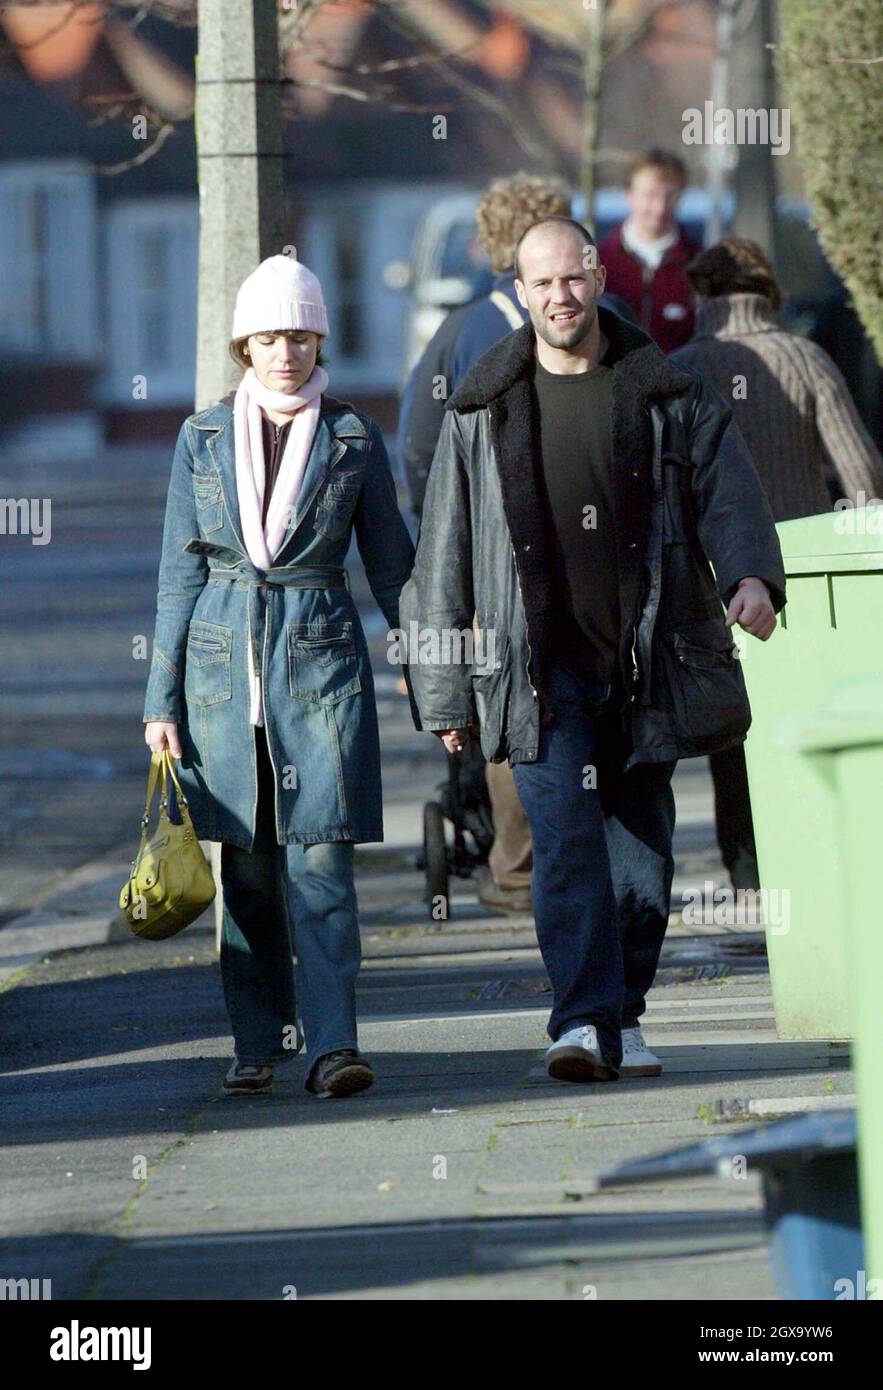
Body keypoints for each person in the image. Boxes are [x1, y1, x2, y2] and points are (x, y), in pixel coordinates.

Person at [399, 216, 785, 1083]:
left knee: (641, 853)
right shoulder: (482, 409)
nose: (558, 298)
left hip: (644, 664)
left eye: (571, 280)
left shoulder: (663, 392)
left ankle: (625, 1015)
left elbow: (729, 491)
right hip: (534, 672)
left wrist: (751, 578)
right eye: (539, 285)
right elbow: (441, 560)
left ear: (596, 274)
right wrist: (445, 694)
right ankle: (579, 1022)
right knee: (567, 844)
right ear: (520, 291)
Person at [143, 255, 415, 1099]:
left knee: (323, 869)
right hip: (222, 681)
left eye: (300, 335)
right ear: (243, 345)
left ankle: (335, 1047)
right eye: (269, 336)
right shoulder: (202, 438)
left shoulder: (352, 437)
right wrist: (160, 701)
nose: (286, 352)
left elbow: (392, 566)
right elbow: (177, 575)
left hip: (319, 668)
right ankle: (259, 1038)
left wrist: (426, 665)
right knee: (247, 874)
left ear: (318, 339)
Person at [670, 235, 883, 890]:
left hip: (713, 583)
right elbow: (863, 481)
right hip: (803, 579)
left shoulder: (676, 368)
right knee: (812, 722)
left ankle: (749, 879)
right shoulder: (804, 357)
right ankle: (823, 869)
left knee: (732, 735)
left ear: (701, 294)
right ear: (768, 291)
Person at [598, 148, 698, 354]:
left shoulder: (699, 264)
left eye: (669, 196)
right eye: (650, 195)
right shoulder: (598, 261)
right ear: (629, 195)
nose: (660, 207)